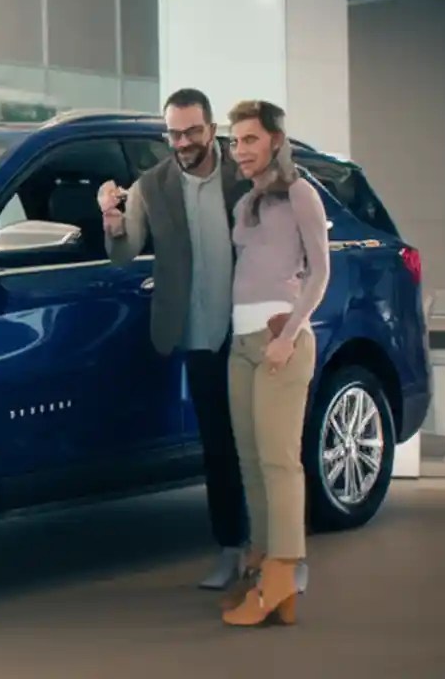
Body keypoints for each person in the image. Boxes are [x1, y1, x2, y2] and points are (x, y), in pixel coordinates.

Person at [98, 88, 251, 591]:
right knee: (219, 448)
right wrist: (112, 222)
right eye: (174, 134)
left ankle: (273, 552)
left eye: (191, 132)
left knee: (261, 446)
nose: (183, 142)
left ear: (212, 130)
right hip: (200, 337)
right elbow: (125, 252)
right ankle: (231, 549)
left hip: (250, 332)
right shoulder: (152, 186)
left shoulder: (244, 174)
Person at [219, 100, 328, 627]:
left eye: (251, 140)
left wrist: (290, 334)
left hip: (279, 339)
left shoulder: (300, 193)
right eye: (235, 141)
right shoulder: (247, 200)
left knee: (280, 462)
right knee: (250, 460)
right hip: (242, 343)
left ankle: (283, 574)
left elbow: (320, 272)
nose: (240, 150)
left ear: (275, 141)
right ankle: (263, 564)